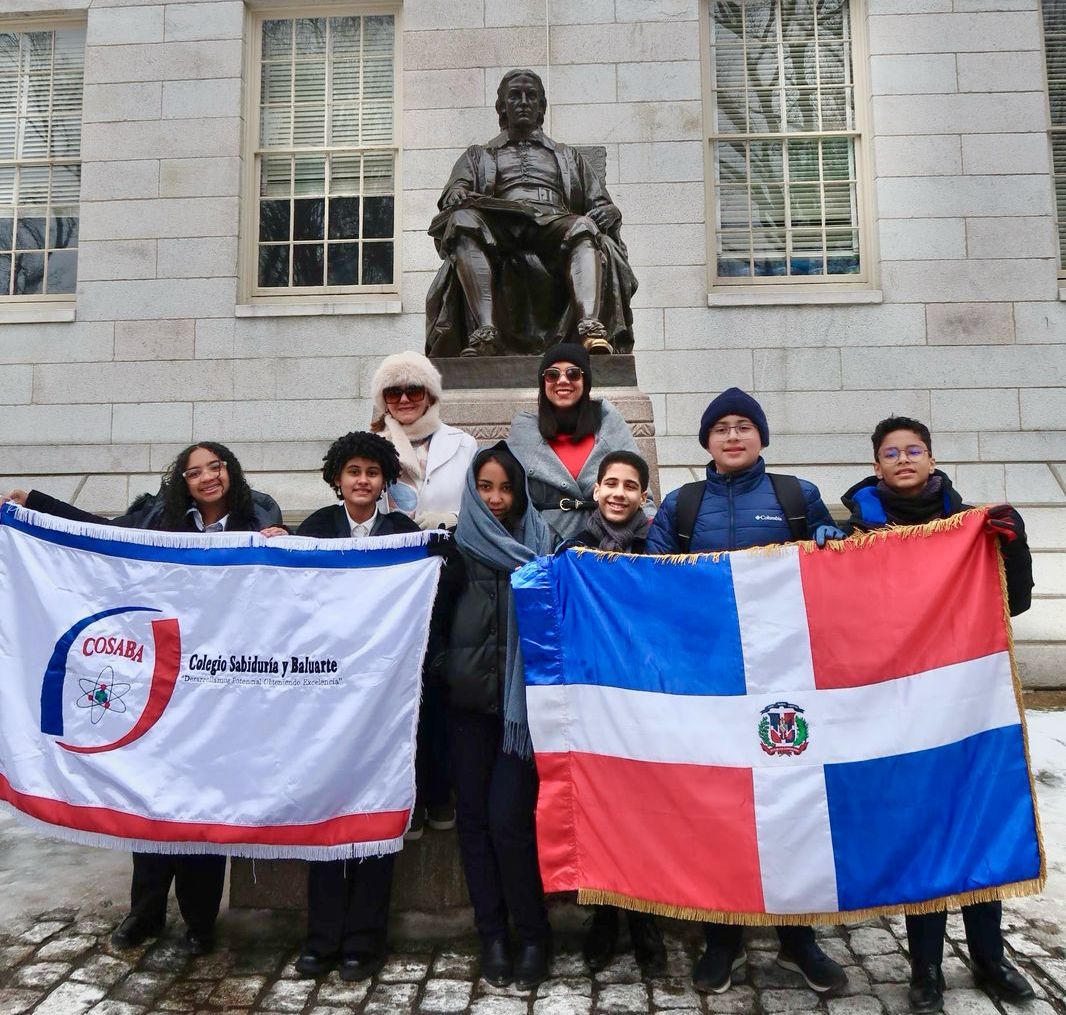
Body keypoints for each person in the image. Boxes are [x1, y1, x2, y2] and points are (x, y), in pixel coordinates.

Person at [3, 442, 286, 956]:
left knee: (204, 799)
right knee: (148, 792)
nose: (207, 478)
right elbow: (99, 534)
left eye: (215, 467)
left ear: (230, 471)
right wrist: (37, 505)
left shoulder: (260, 516)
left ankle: (200, 921)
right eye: (194, 472)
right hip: (162, 679)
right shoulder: (158, 518)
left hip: (220, 687)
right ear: (182, 481)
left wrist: (286, 542)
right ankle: (146, 912)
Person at [645, 388, 848, 996]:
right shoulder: (682, 505)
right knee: (717, 803)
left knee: (795, 799)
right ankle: (722, 938)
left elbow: (834, 563)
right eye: (721, 429)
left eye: (744, 427)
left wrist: (834, 545)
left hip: (785, 675)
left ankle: (799, 935)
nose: (733, 436)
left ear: (761, 438)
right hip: (710, 679)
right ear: (706, 441)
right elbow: (652, 579)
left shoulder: (795, 496)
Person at [842, 415, 1036, 1013]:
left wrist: (1015, 543)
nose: (904, 459)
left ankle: (989, 958)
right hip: (898, 706)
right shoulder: (854, 532)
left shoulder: (971, 523)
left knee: (979, 821)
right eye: (892, 452)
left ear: (931, 458)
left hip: (968, 701)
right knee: (919, 830)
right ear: (876, 466)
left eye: (914, 450)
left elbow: (1018, 601)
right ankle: (924, 966)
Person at [292, 431, 423, 982]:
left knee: (373, 813)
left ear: (386, 479)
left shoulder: (402, 531)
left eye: (372, 471)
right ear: (337, 478)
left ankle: (364, 940)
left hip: (381, 702)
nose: (363, 480)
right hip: (323, 699)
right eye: (353, 472)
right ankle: (321, 937)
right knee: (325, 816)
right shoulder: (316, 529)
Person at [437, 443, 555, 989]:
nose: (497, 498)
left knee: (510, 822)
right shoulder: (452, 551)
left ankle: (533, 934)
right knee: (476, 825)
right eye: (485, 487)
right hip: (467, 709)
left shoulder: (544, 546)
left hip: (521, 713)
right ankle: (493, 936)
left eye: (506, 487)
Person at [425, 68, 637, 357]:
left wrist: (610, 211)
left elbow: (599, 202)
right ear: (502, 107)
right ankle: (485, 333)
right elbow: (454, 191)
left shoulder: (567, 155)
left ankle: (590, 327)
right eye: (514, 96)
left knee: (584, 227)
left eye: (531, 96)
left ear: (541, 107)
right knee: (462, 220)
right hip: (500, 224)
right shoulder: (478, 155)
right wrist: (457, 194)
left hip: (553, 222)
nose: (523, 102)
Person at [557, 450, 668, 977]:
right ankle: (602, 920)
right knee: (598, 811)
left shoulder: (660, 548)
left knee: (645, 816)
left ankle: (646, 924)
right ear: (596, 491)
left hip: (646, 697)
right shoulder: (573, 549)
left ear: (644, 495)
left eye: (630, 485)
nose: (619, 493)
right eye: (610, 484)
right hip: (592, 698)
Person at [369, 350, 477, 840]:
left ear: (432, 394)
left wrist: (447, 525)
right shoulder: (370, 445)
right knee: (394, 690)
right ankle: (402, 796)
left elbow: (477, 506)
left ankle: (440, 792)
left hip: (450, 573)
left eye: (415, 390)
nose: (406, 399)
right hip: (389, 583)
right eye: (395, 392)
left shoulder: (464, 444)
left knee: (442, 684)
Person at [508, 343, 653, 546]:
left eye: (573, 373)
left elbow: (641, 492)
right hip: (544, 545)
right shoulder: (524, 431)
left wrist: (653, 542)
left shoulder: (609, 421)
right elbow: (511, 499)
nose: (563, 380)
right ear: (543, 382)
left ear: (585, 380)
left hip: (609, 545)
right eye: (552, 374)